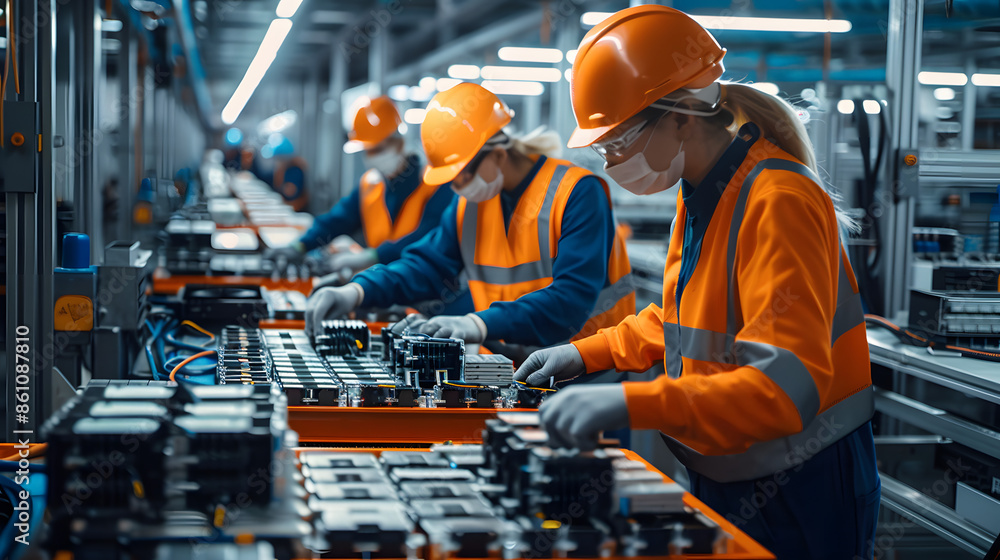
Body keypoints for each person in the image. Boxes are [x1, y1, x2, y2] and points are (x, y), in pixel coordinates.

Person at [512, 6, 880, 560]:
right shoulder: (705, 191)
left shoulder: (776, 200)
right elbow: (686, 323)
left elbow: (783, 388)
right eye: (604, 148)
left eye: (620, 142)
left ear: (683, 115)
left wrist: (635, 404)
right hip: (728, 473)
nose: (612, 163)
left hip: (803, 490)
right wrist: (581, 354)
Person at [305, 83, 635, 363]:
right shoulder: (471, 204)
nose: (458, 188)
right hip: (513, 365)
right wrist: (357, 291)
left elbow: (570, 300)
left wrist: (477, 324)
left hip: (584, 368)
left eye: (463, 174)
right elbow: (426, 266)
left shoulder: (577, 192)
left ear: (499, 153)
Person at [277, 95, 455, 276]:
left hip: (421, 285)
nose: (372, 157)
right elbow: (337, 221)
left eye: (378, 149)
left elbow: (428, 236)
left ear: (399, 141)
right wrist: (301, 245)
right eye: (367, 151)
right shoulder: (370, 184)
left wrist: (374, 256)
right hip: (380, 285)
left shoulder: (434, 182)